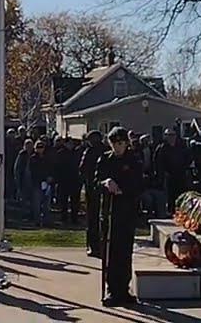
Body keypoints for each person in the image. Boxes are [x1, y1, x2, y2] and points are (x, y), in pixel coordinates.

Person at [96, 127, 141, 307]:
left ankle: (124, 288)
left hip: (126, 209)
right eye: (114, 143)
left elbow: (139, 183)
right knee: (110, 250)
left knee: (125, 251)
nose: (117, 147)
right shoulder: (105, 160)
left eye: (121, 143)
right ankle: (112, 288)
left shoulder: (133, 161)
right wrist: (105, 182)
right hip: (109, 211)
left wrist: (124, 189)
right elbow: (95, 181)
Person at [79, 130, 107, 258]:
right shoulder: (107, 151)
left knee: (92, 218)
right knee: (102, 217)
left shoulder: (89, 152)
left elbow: (82, 169)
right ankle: (102, 245)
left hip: (93, 187)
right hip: (103, 188)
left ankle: (93, 246)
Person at [153, 129, 192, 217]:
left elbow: (188, 158)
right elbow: (157, 163)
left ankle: (182, 212)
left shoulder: (181, 147)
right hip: (168, 176)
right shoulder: (162, 148)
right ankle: (171, 212)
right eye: (169, 135)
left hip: (180, 174)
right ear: (165, 136)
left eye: (173, 135)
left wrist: (185, 168)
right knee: (170, 195)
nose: (171, 137)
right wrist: (161, 174)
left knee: (182, 194)